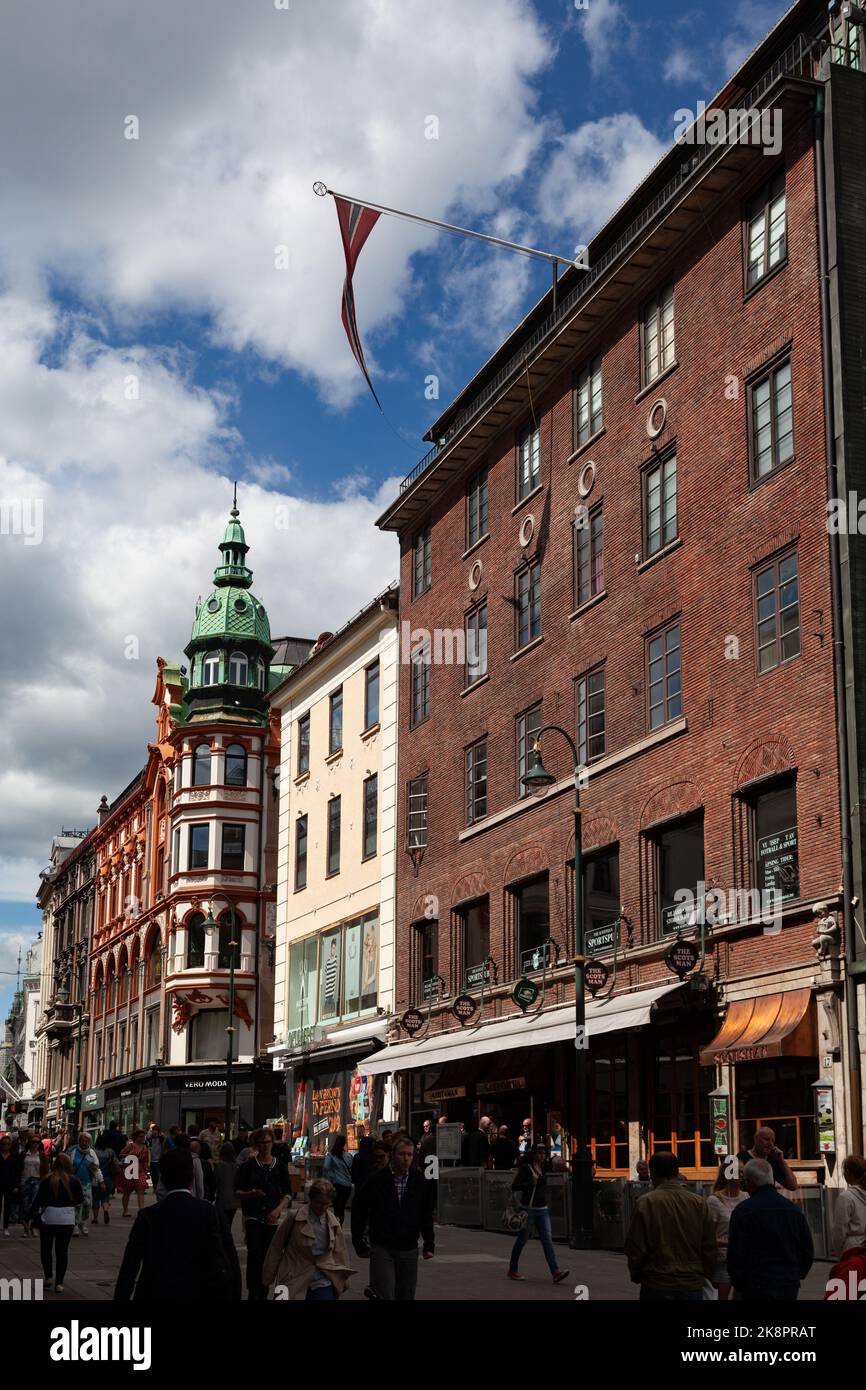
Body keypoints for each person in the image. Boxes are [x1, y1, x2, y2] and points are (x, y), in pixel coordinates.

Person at [114, 1147, 234, 1301]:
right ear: (191, 1179)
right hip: (197, 1291)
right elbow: (222, 1257)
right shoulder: (208, 1212)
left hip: (154, 1291)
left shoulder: (148, 1216)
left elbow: (130, 1266)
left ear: (163, 1179)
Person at [623, 1152, 716, 1301]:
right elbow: (709, 1244)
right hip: (690, 1281)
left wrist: (636, 1273)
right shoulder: (698, 1203)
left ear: (652, 1173)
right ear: (676, 1171)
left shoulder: (646, 1202)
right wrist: (708, 1274)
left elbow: (636, 1245)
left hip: (657, 1281)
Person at [351, 1135, 434, 1301]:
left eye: (410, 1155)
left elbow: (425, 1213)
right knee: (385, 1293)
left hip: (409, 1247)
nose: (406, 1159)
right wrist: (358, 1242)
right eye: (402, 1154)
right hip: (383, 1246)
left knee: (406, 1293)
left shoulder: (419, 1181)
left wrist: (429, 1243)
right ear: (393, 1155)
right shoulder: (377, 1179)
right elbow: (359, 1210)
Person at [727, 1158, 814, 1301]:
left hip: (755, 1285)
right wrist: (796, 1275)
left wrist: (740, 1283)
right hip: (787, 1284)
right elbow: (807, 1250)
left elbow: (735, 1253)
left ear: (750, 1183)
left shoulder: (743, 1211)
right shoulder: (793, 1210)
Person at [263, 1178, 354, 1301]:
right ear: (311, 1199)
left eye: (327, 1203)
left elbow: (340, 1252)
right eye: (320, 1203)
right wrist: (268, 1276)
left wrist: (344, 1279)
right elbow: (276, 1246)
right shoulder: (294, 1217)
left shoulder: (333, 1222)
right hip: (292, 1275)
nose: (323, 1207)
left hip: (323, 1278)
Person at [235, 1127, 292, 1301]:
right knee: (255, 1253)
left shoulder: (279, 1166)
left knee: (269, 1255)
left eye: (268, 1142)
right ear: (256, 1144)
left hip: (271, 1217)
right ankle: (254, 1290)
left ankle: (264, 1287)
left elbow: (288, 1193)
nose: (266, 1146)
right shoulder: (248, 1166)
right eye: (262, 1142)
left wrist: (277, 1210)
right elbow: (237, 1191)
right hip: (253, 1215)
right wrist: (250, 1194)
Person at [507, 1141, 570, 1284]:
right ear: (534, 1154)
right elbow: (515, 1186)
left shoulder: (544, 1167)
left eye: (544, 1153)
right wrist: (530, 1183)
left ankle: (555, 1272)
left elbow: (559, 1167)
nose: (542, 1156)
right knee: (522, 1240)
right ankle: (512, 1269)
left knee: (547, 1240)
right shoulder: (526, 1168)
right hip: (528, 1210)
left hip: (542, 1209)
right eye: (539, 1153)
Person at [28, 1152, 84, 1293]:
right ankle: (59, 1283)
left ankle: (48, 1277)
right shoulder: (74, 1181)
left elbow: (38, 1200)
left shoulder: (47, 1180)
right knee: (62, 1252)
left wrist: (28, 1216)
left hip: (49, 1218)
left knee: (46, 1249)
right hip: (66, 1219)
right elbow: (79, 1200)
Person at [707, 1160, 748, 1300]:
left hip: (744, 1259)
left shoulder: (746, 1197)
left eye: (743, 1171)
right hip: (723, 1259)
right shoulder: (714, 1200)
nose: (741, 1175)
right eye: (738, 1171)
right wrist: (727, 1243)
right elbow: (707, 1235)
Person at [735, 1126, 797, 1192]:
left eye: (773, 1141)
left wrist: (782, 1161)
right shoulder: (741, 1157)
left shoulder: (773, 1160)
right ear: (756, 1139)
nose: (770, 1144)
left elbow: (793, 1186)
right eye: (767, 1139)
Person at [67, 1132, 104, 1235]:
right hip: (74, 1183)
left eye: (86, 1141)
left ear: (89, 1142)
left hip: (87, 1183)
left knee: (87, 1204)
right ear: (79, 1141)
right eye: (82, 1140)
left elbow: (96, 1169)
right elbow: (68, 1167)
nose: (84, 1143)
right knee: (76, 1205)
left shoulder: (91, 1154)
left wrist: (101, 1181)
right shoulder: (73, 1152)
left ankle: (83, 1222)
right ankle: (75, 1225)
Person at [830, 1154, 866, 1257]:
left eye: (844, 1171)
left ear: (849, 1173)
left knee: (852, 1274)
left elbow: (839, 1230)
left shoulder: (846, 1197)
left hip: (852, 1254)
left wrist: (839, 1253)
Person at [157, 1132, 204, 1200]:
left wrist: (162, 1200)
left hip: (169, 1199)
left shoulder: (168, 1157)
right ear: (189, 1144)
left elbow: (161, 1182)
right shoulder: (195, 1160)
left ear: (175, 1143)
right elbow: (199, 1184)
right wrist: (199, 1201)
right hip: (190, 1200)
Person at [19, 1137, 49, 1235]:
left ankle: (33, 1226)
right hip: (25, 1181)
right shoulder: (24, 1154)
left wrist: (44, 1181)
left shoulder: (42, 1155)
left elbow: (45, 1170)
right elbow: (18, 1168)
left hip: (37, 1181)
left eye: (37, 1142)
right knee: (25, 1205)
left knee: (35, 1205)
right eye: (33, 1142)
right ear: (30, 1143)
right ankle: (25, 1228)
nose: (35, 1144)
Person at [323, 1134, 353, 1223]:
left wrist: (327, 1179)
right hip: (347, 1186)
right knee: (342, 1208)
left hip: (336, 1185)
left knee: (337, 1208)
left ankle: (336, 1228)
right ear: (344, 1144)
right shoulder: (349, 1156)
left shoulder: (331, 1155)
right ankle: (339, 1226)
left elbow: (325, 1167)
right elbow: (351, 1169)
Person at [91, 1139, 120, 1227]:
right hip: (108, 1178)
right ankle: (106, 1211)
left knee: (95, 1198)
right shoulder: (110, 1152)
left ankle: (95, 1218)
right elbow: (116, 1162)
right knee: (105, 1197)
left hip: (96, 1178)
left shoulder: (93, 1152)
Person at [214, 1142, 240, 1233]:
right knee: (229, 1222)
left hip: (222, 1198)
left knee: (221, 1224)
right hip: (234, 1199)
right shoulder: (236, 1166)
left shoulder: (219, 1165)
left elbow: (215, 1181)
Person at [0, 1134, 21, 1235]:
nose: (5, 1146)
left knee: (8, 1206)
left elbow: (17, 1172)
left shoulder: (13, 1157)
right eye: (4, 1144)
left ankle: (5, 1227)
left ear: (10, 1145)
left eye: (8, 1144)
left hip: (9, 1184)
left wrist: (16, 1185)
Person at [145, 1124, 163, 1193]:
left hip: (158, 1159)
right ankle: (155, 1188)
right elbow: (148, 1148)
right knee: (153, 1175)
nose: (154, 1132)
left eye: (156, 1131)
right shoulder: (150, 1139)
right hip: (151, 1160)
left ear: (158, 1131)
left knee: (158, 1175)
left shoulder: (161, 1138)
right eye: (153, 1131)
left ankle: (157, 1188)